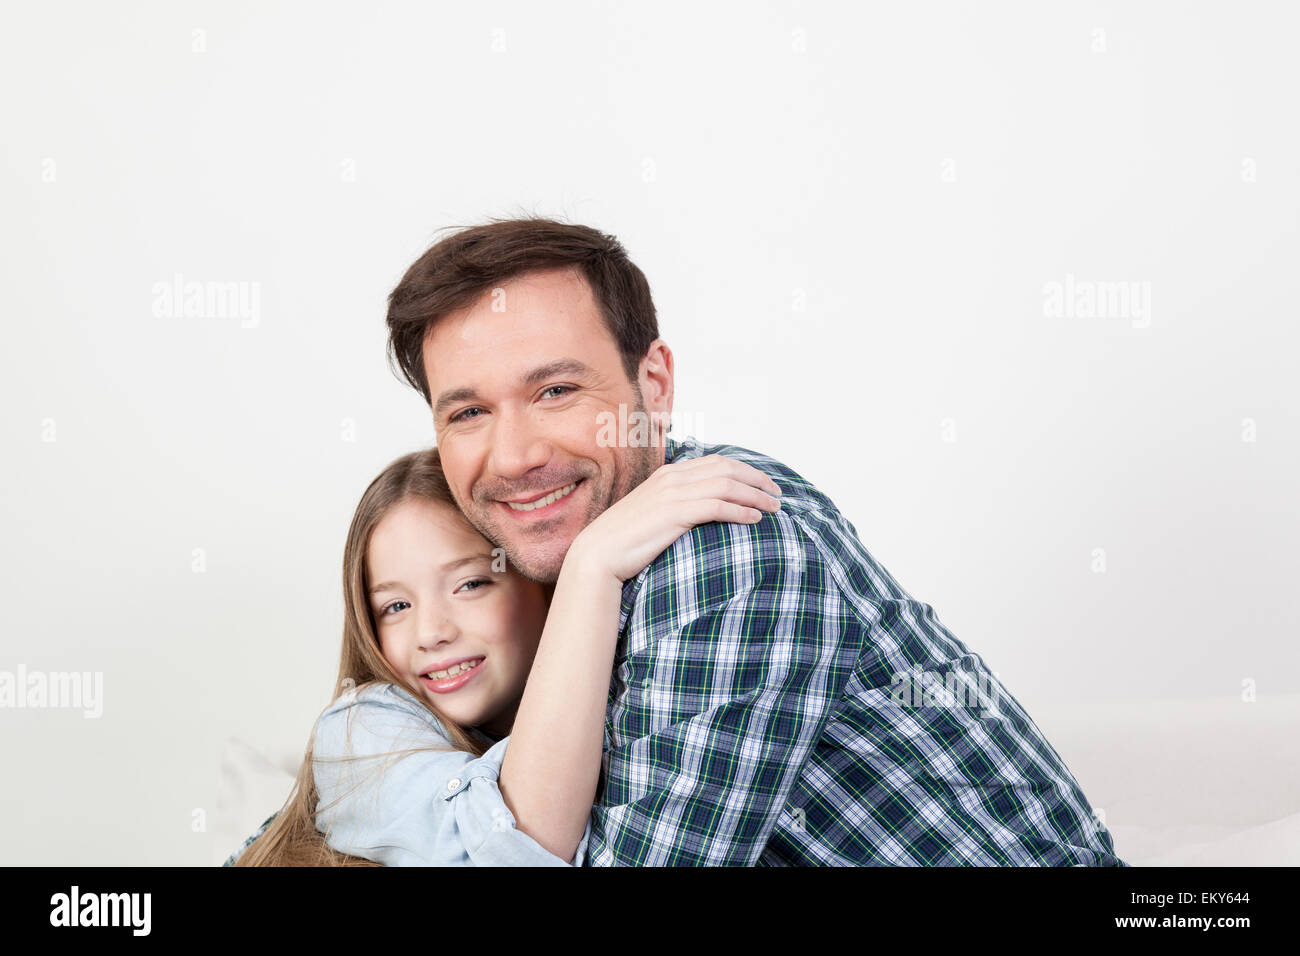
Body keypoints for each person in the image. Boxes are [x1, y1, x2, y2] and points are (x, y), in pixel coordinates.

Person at [377, 216, 1130, 866]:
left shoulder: (729, 553)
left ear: (656, 386)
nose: (514, 458)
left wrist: (587, 572)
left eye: (555, 391)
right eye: (468, 412)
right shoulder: (551, 558)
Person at [225, 444, 780, 866]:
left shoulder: (631, 696)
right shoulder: (363, 728)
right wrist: (593, 564)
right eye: (394, 605)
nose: (431, 632)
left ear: (541, 584)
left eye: (469, 585)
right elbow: (508, 852)